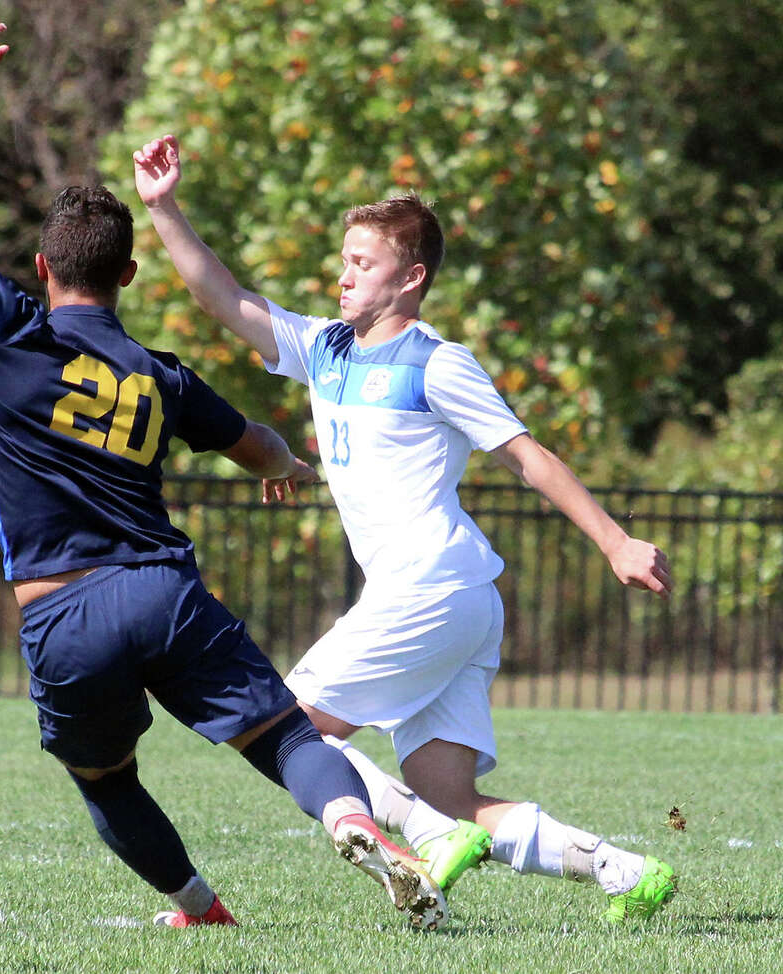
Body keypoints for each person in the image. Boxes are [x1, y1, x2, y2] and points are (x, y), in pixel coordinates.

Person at [0, 19, 449, 930]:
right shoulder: (162, 375)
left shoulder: (11, 330)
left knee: (106, 781)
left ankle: (201, 907)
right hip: (165, 591)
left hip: (64, 612)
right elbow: (260, 444)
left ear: (43, 270)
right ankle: (354, 817)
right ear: (127, 273)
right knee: (281, 736)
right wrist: (280, 466)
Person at [133, 133, 679, 922]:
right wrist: (165, 208)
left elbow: (530, 459)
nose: (344, 274)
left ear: (412, 277)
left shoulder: (438, 363)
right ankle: (620, 868)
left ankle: (419, 835)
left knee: (281, 724)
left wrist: (614, 541)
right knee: (452, 797)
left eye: (364, 262)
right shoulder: (323, 348)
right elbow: (223, 297)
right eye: (345, 259)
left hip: (431, 587)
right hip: (458, 600)